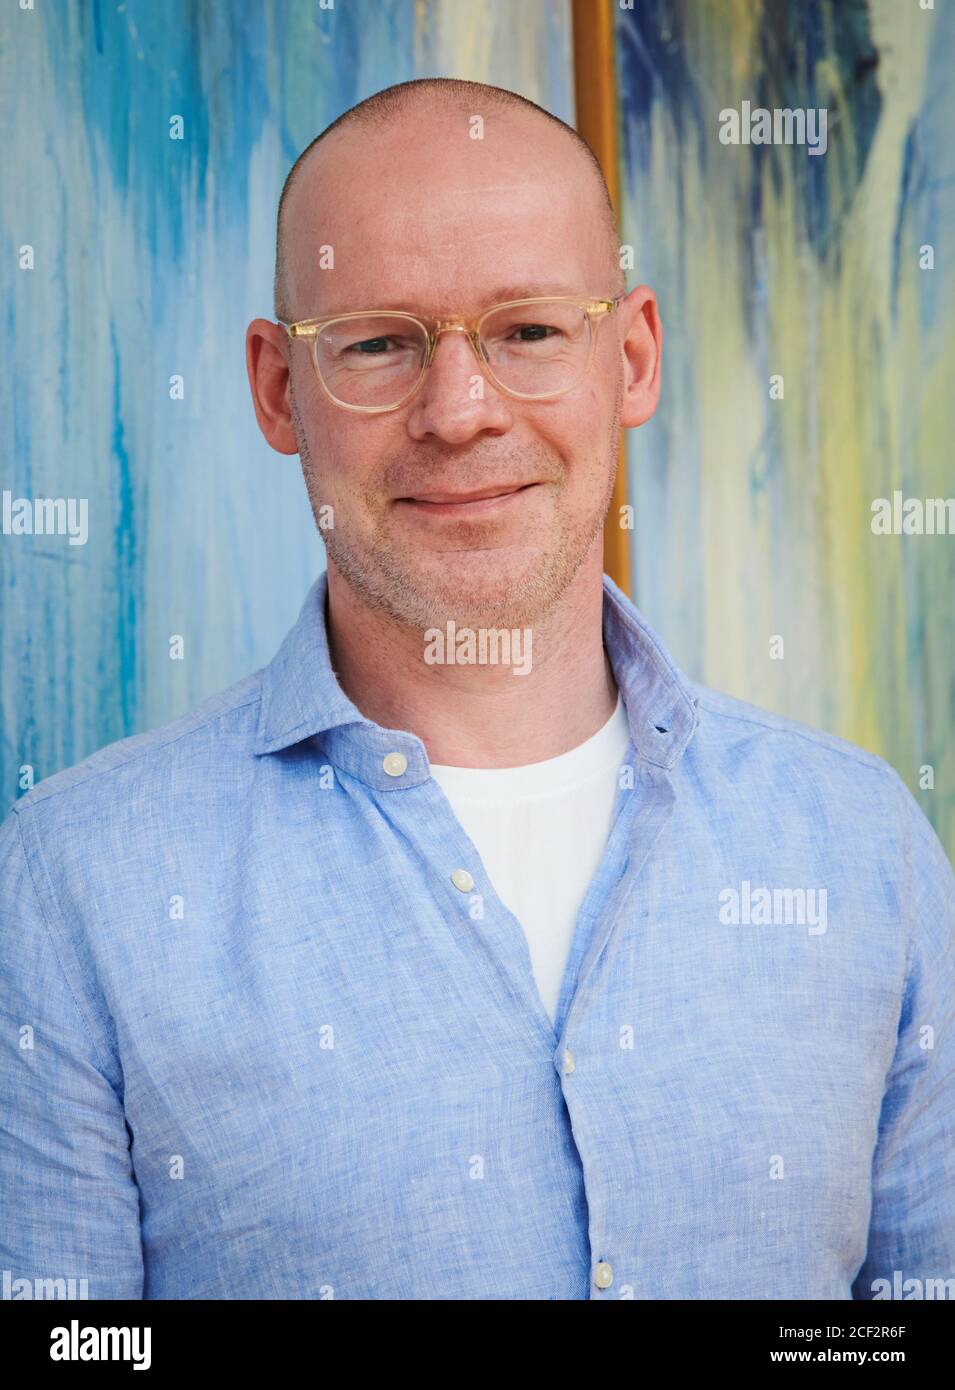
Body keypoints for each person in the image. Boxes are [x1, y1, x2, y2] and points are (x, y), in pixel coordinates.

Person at [1, 78, 952, 1302]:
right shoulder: (71, 890)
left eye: (529, 331)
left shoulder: (864, 849)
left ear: (634, 358)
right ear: (280, 390)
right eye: (380, 344)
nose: (459, 411)